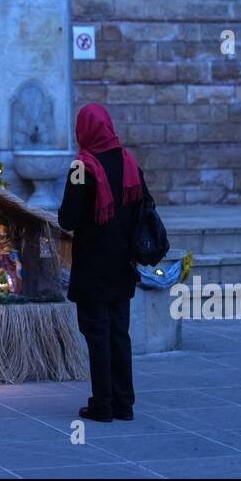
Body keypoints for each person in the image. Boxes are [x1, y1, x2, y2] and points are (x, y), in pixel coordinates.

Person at [58, 103, 145, 423]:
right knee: (119, 333)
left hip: (94, 267)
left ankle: (103, 404)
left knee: (97, 335)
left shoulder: (83, 167)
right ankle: (124, 403)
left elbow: (67, 219)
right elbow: (142, 208)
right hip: (123, 264)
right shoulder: (128, 161)